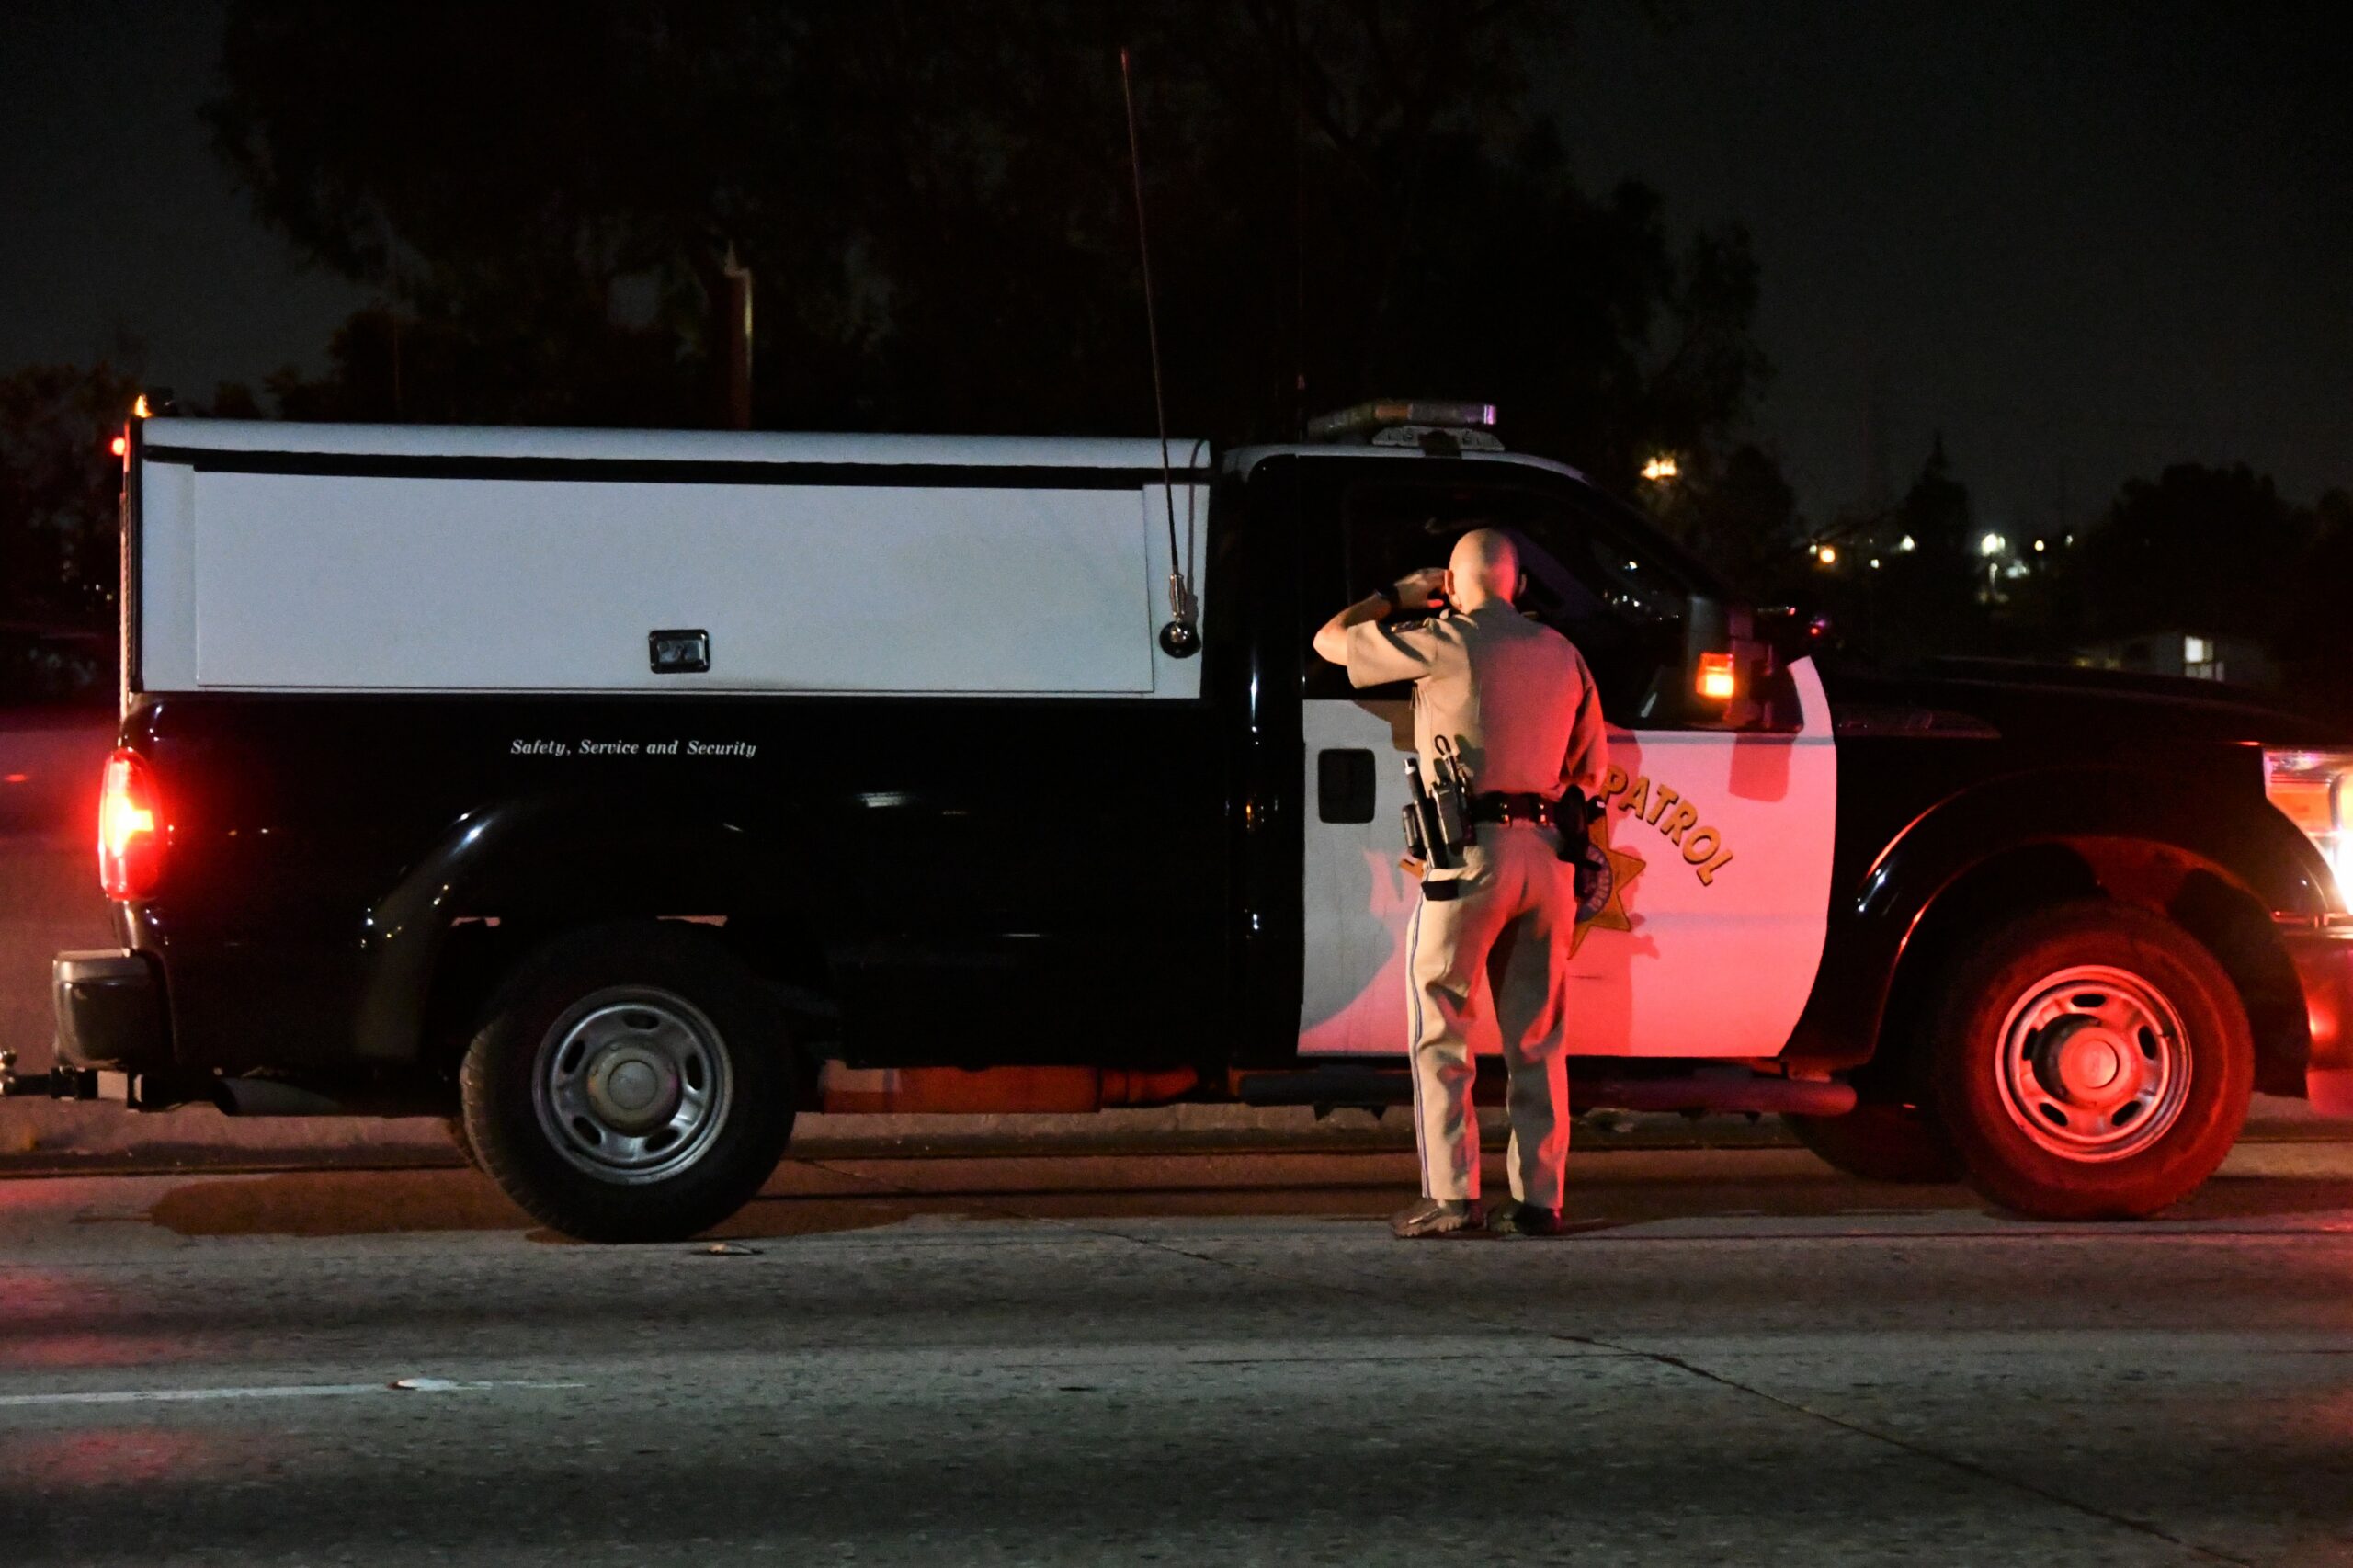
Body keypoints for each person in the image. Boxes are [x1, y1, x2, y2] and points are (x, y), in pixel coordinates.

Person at [1313, 527, 1608, 1238]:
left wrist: (1398, 596)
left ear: (1451, 579)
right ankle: (1541, 1199)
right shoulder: (1564, 655)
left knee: (1441, 1025)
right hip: (1546, 856)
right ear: (1522, 587)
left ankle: (1452, 1196)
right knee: (1537, 1037)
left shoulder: (1443, 640)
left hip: (1469, 856)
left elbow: (1329, 641)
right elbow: (1590, 773)